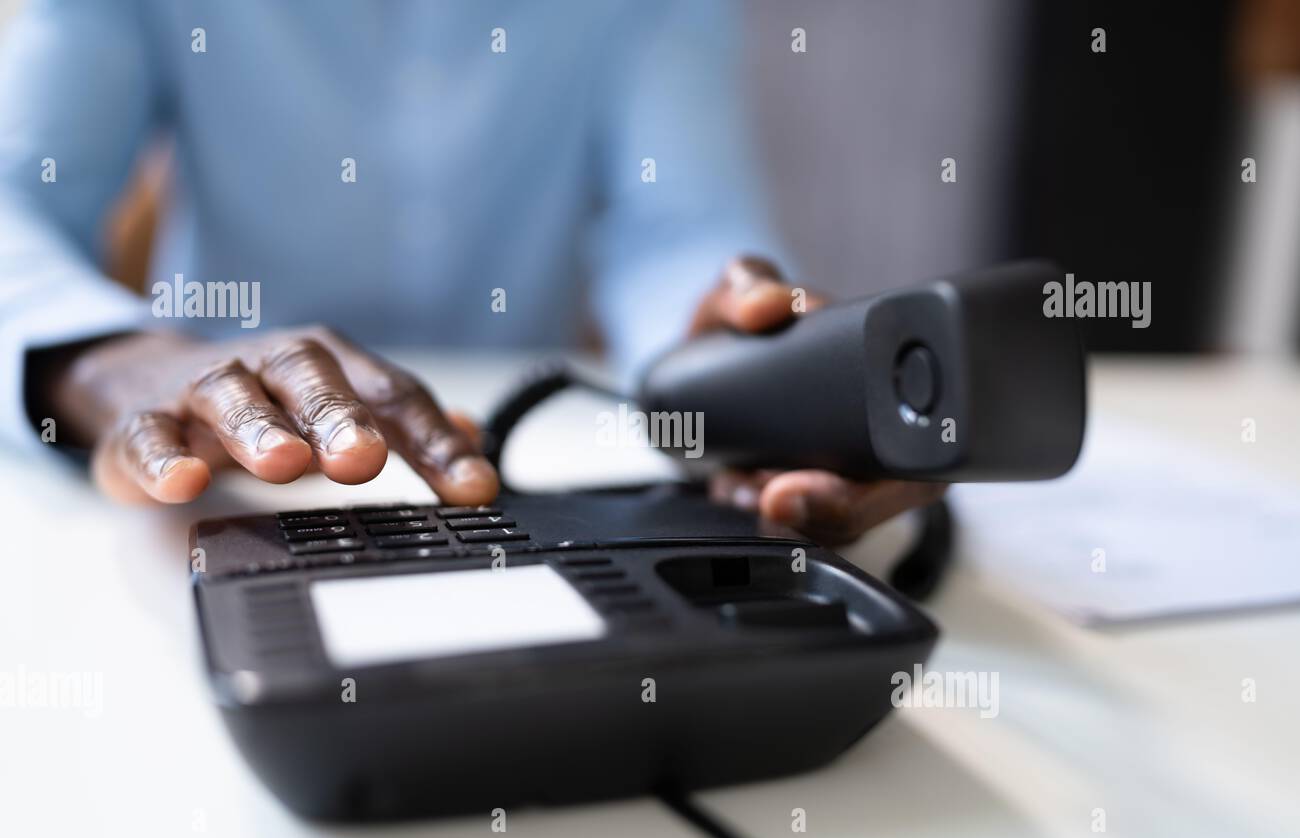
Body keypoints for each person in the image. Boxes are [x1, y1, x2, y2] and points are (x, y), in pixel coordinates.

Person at [1, 0, 941, 544]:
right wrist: (109, 361)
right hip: (211, 494)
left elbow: (679, 226)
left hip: (515, 488)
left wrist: (752, 381)